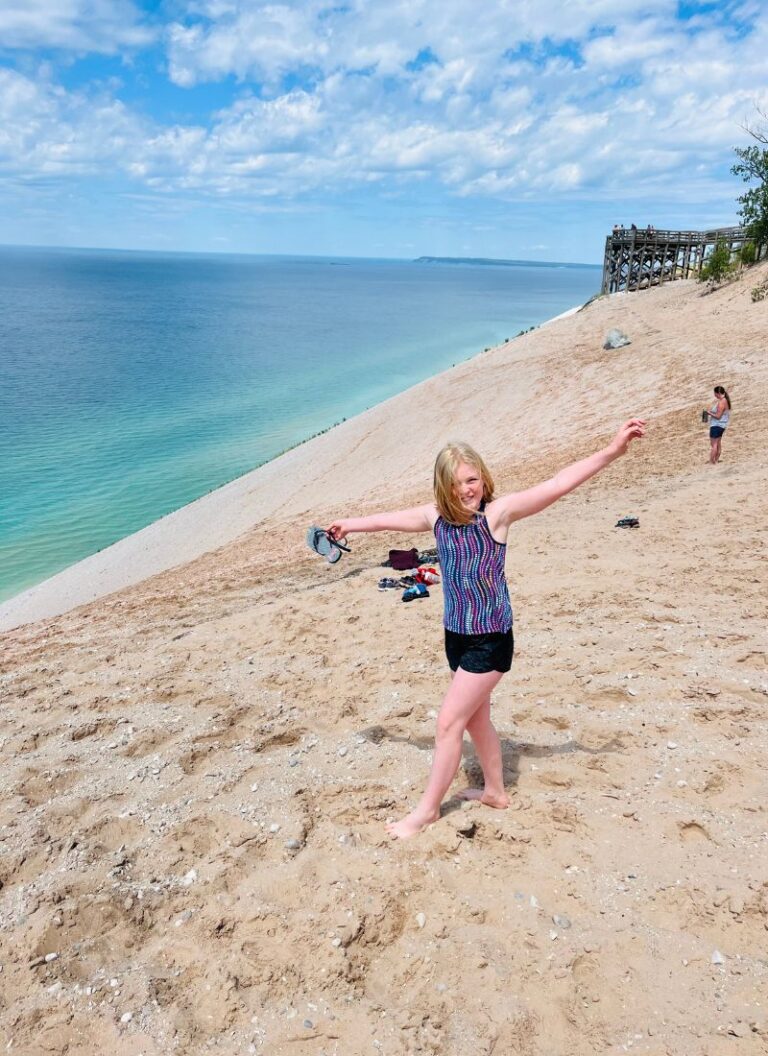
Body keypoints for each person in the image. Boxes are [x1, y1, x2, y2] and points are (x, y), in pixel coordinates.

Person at [326, 418, 647, 839]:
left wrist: (612, 451)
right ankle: (496, 792)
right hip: (455, 636)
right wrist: (349, 524)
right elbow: (391, 519)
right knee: (476, 723)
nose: (466, 490)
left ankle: (425, 813)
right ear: (443, 486)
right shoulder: (436, 517)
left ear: (483, 477)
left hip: (490, 639)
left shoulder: (497, 515)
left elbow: (557, 483)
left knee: (447, 724)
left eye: (472, 479)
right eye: (457, 483)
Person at [707, 385, 731, 464]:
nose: (714, 395)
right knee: (718, 444)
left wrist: (709, 413)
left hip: (717, 425)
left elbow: (718, 416)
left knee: (714, 445)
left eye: (714, 393)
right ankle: (716, 460)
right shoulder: (725, 400)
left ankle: (712, 461)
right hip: (721, 425)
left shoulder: (721, 402)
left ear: (717, 393)